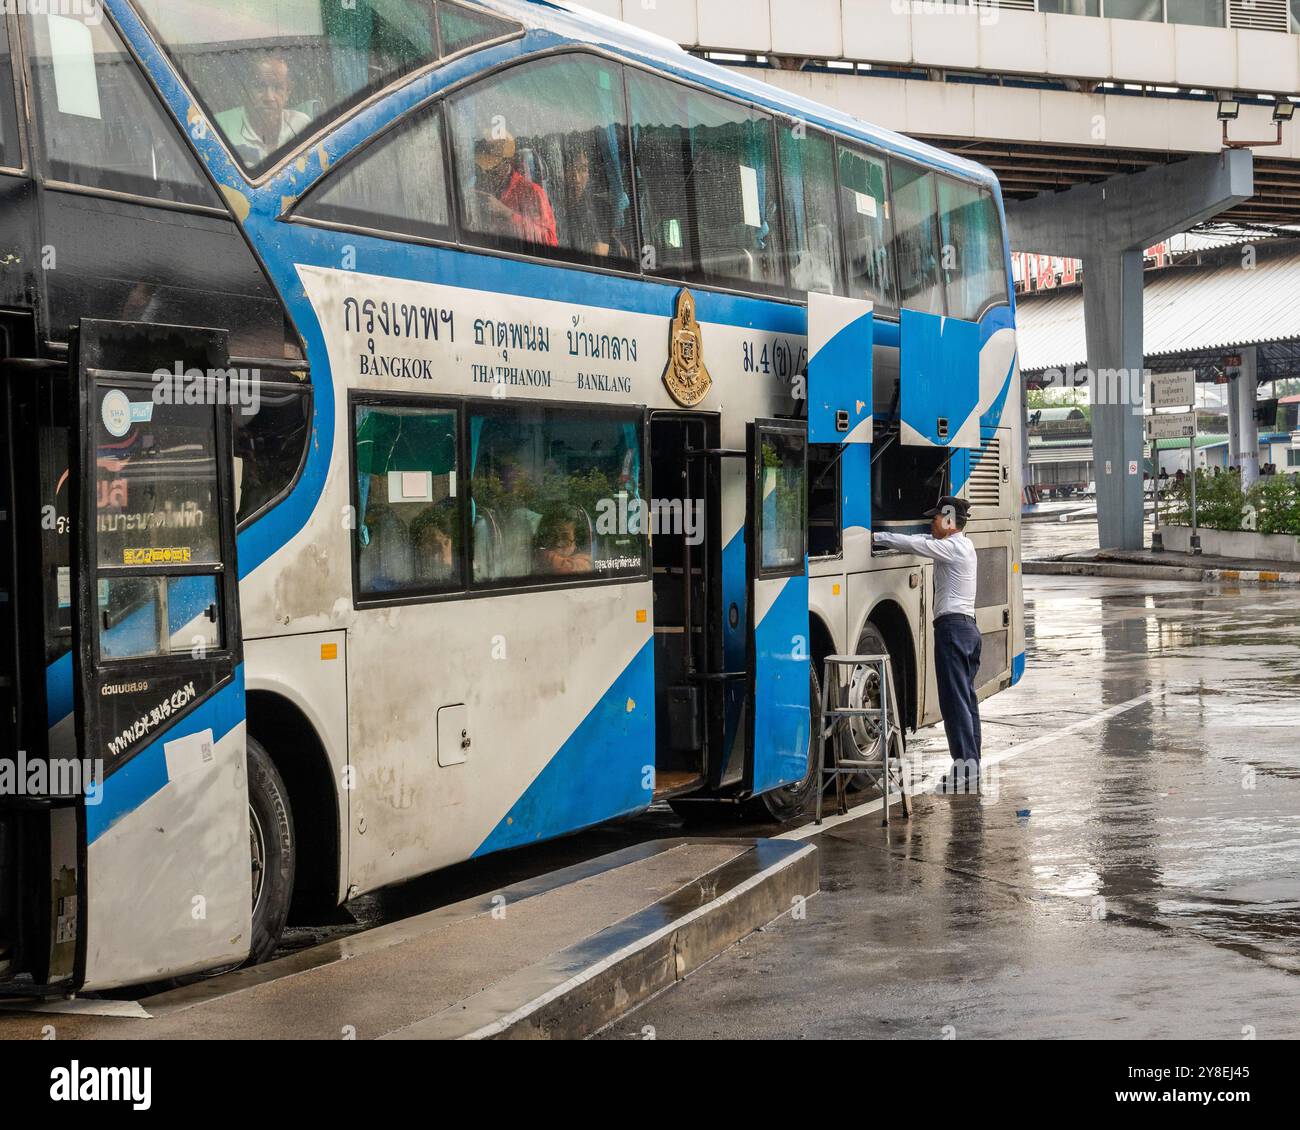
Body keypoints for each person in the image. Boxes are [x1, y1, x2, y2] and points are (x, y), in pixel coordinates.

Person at [873, 496, 981, 789]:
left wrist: (874, 537)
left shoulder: (951, 548)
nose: (930, 522)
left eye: (935, 518)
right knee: (967, 702)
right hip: (968, 630)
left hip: (953, 631)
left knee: (954, 704)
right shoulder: (965, 545)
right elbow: (923, 540)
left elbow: (914, 544)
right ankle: (971, 768)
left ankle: (965, 774)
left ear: (948, 520)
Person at [217, 55, 311, 166]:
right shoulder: (220, 127)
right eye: (260, 87)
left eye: (277, 88)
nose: (269, 98)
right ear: (245, 90)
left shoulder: (301, 125)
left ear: (287, 92)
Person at [472, 132, 557, 248]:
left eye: (493, 166)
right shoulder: (476, 189)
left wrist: (506, 213)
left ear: (508, 162)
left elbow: (549, 240)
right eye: (483, 167)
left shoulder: (532, 193)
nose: (487, 172)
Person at [561, 148, 614, 258]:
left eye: (582, 169)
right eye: (570, 169)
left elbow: (597, 260)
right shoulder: (551, 206)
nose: (576, 178)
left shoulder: (599, 208)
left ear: (589, 173)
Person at [535, 510, 592, 576]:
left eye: (565, 537)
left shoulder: (584, 563)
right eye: (552, 535)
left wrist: (543, 554)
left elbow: (566, 568)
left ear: (577, 541)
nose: (558, 542)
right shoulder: (538, 562)